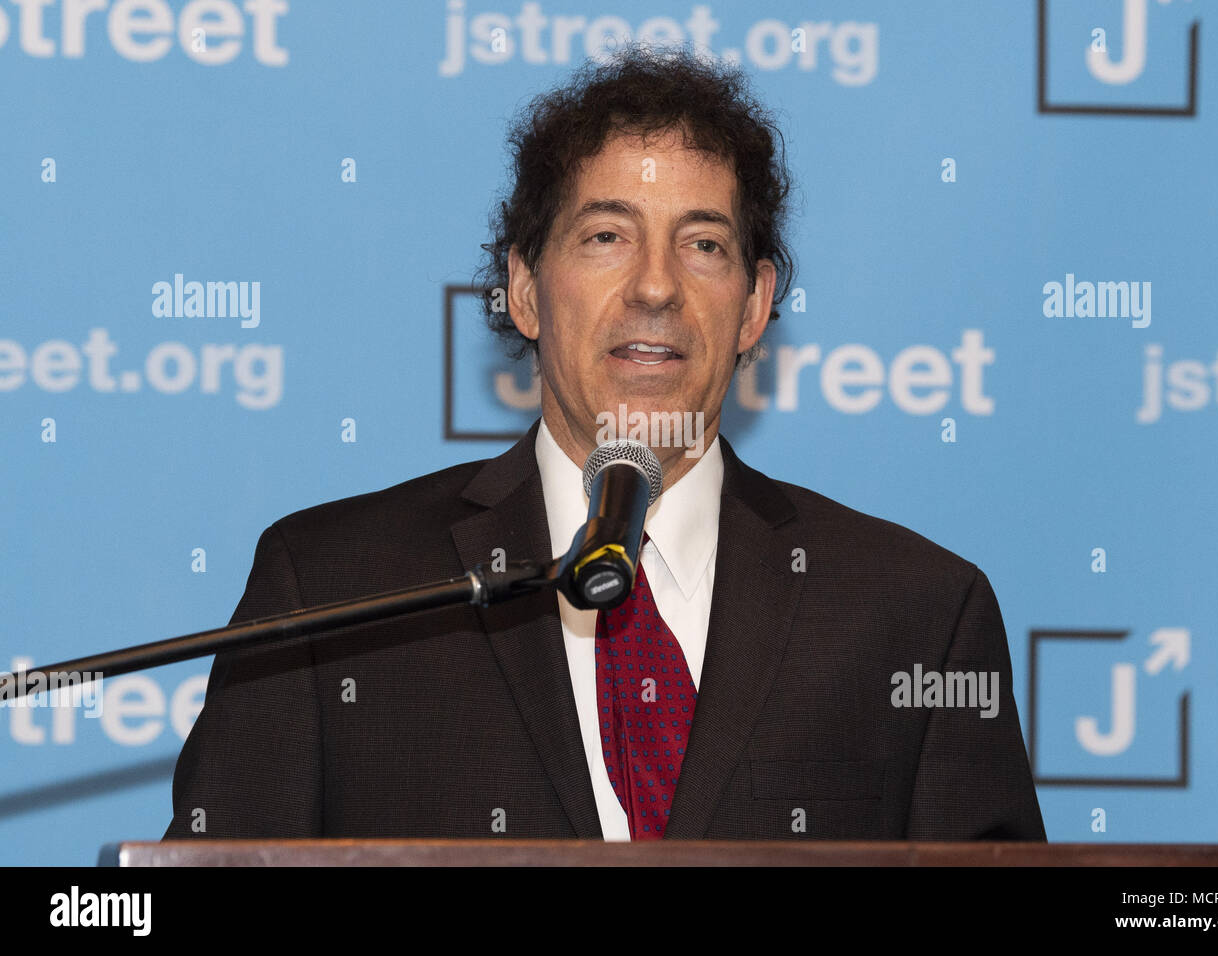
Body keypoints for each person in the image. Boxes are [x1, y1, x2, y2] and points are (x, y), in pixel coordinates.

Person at [165, 45, 1045, 843]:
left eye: (703, 244)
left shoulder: (919, 615)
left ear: (753, 304)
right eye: (605, 237)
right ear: (524, 290)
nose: (656, 286)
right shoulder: (335, 589)